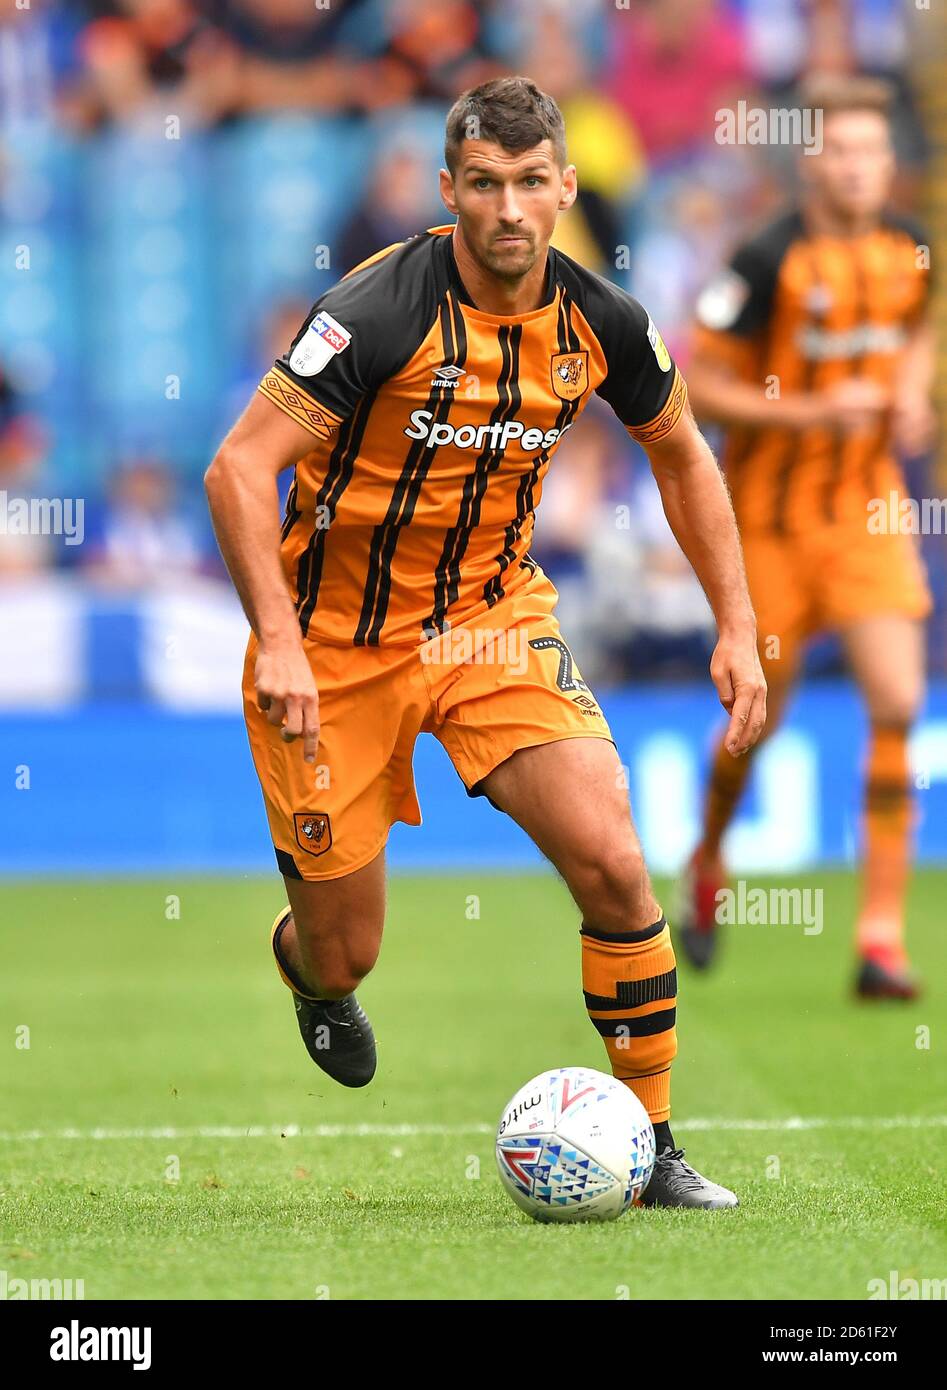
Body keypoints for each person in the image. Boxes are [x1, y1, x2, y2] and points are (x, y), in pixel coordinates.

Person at [205, 76, 766, 1209]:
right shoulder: (376, 312)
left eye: (528, 184)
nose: (507, 208)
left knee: (611, 858)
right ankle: (309, 970)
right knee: (346, 950)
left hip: (487, 622)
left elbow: (684, 456)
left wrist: (738, 625)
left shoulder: (602, 321)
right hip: (330, 647)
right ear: (449, 189)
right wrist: (273, 637)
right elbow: (235, 466)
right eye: (483, 185)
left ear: (565, 188)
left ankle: (651, 1143)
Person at [679, 75, 934, 999]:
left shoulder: (912, 248)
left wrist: (910, 389)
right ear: (810, 160)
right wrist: (813, 409)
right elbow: (696, 387)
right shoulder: (761, 261)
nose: (861, 168)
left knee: (898, 700)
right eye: (843, 152)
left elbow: (922, 327)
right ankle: (707, 861)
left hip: (867, 512)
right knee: (756, 720)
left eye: (874, 152)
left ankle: (877, 939)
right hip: (767, 526)